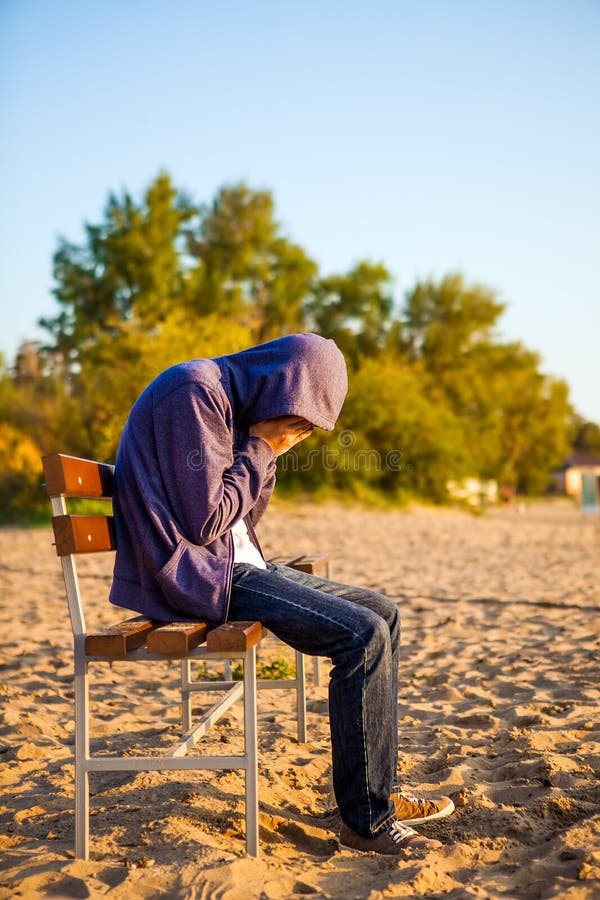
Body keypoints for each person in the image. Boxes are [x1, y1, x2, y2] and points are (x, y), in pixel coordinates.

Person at [109, 332, 454, 855]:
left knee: (384, 612)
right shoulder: (193, 392)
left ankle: (375, 790)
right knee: (363, 636)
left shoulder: (230, 406)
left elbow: (245, 517)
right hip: (196, 572)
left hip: (235, 561)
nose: (301, 435)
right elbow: (205, 523)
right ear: (283, 386)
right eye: (301, 421)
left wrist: (262, 450)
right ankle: (367, 822)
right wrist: (262, 447)